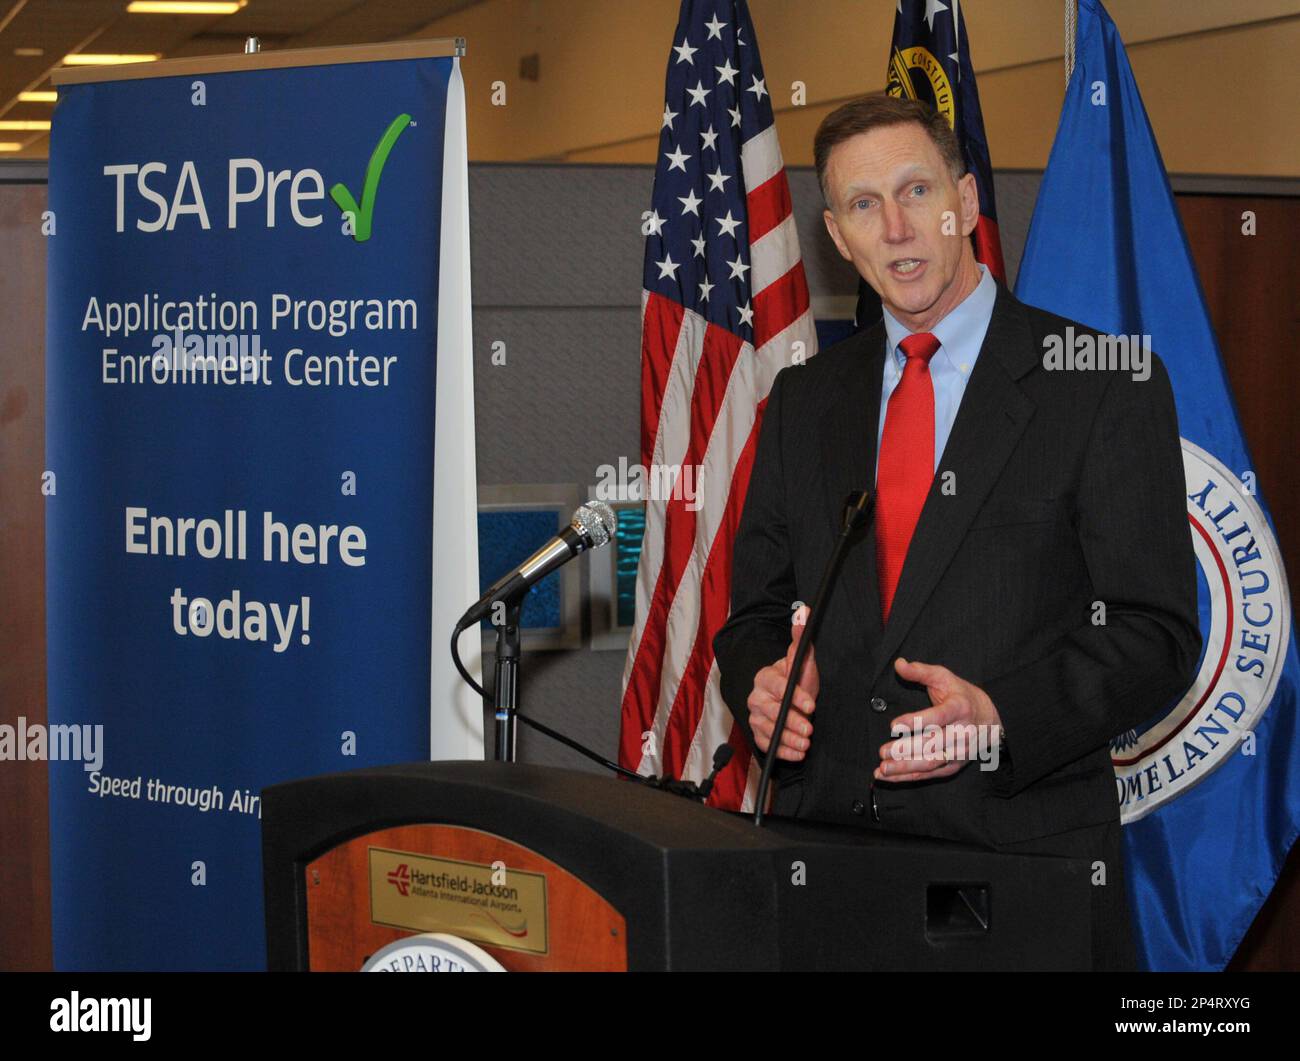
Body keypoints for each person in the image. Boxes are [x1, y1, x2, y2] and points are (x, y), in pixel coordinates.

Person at [712, 95, 1201, 971]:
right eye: (865, 205)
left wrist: (999, 717)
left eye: (916, 190)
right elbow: (753, 615)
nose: (896, 227)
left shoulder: (1101, 384)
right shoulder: (803, 401)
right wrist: (765, 685)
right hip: (824, 873)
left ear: (966, 204)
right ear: (837, 235)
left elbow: (1153, 635)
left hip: (1016, 875)